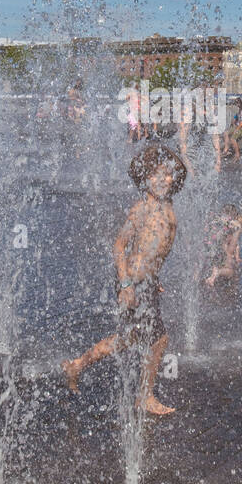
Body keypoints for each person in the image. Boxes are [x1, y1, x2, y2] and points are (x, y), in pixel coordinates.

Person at [62, 144, 186, 416]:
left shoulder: (164, 205)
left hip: (147, 281)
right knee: (157, 339)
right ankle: (145, 397)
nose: (163, 180)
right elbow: (119, 246)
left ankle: (77, 365)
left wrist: (154, 278)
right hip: (133, 282)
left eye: (167, 174)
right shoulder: (142, 209)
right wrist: (126, 285)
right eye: (156, 175)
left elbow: (153, 248)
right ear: (146, 179)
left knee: (130, 337)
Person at [203, 204, 242, 287]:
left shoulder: (218, 228)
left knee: (213, 264)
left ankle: (205, 277)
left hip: (213, 252)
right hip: (223, 254)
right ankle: (216, 273)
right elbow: (231, 249)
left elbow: (236, 246)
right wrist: (238, 230)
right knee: (230, 271)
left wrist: (237, 257)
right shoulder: (231, 232)